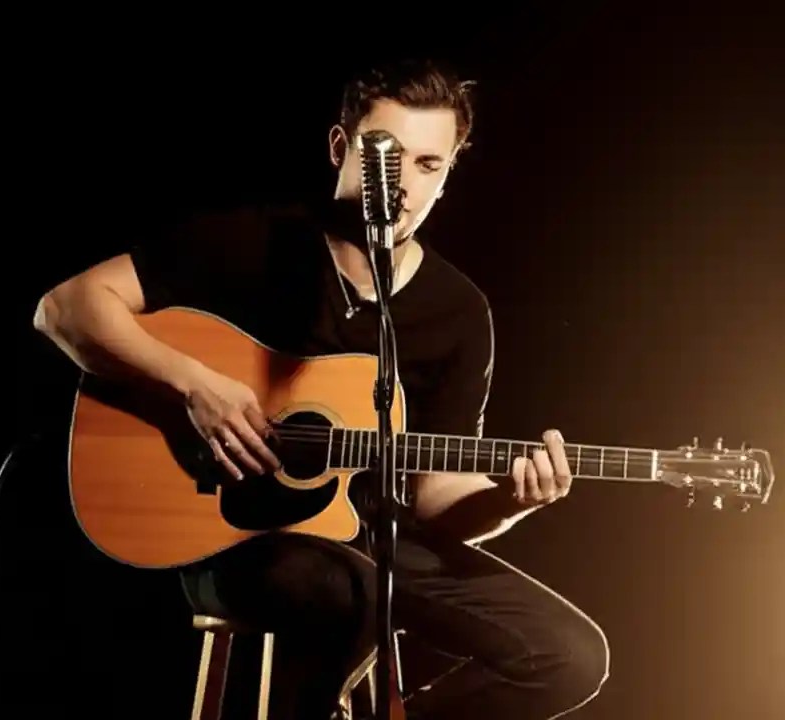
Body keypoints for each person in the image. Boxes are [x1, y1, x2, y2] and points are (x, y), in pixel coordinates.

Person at [32, 58, 610, 719]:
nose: (403, 187)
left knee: (569, 654)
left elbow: (432, 502)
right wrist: (194, 384)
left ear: (448, 175)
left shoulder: (458, 311)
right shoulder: (258, 242)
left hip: (369, 544)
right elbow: (67, 307)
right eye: (385, 155)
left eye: (428, 165)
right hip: (236, 541)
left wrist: (510, 499)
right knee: (349, 592)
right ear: (341, 148)